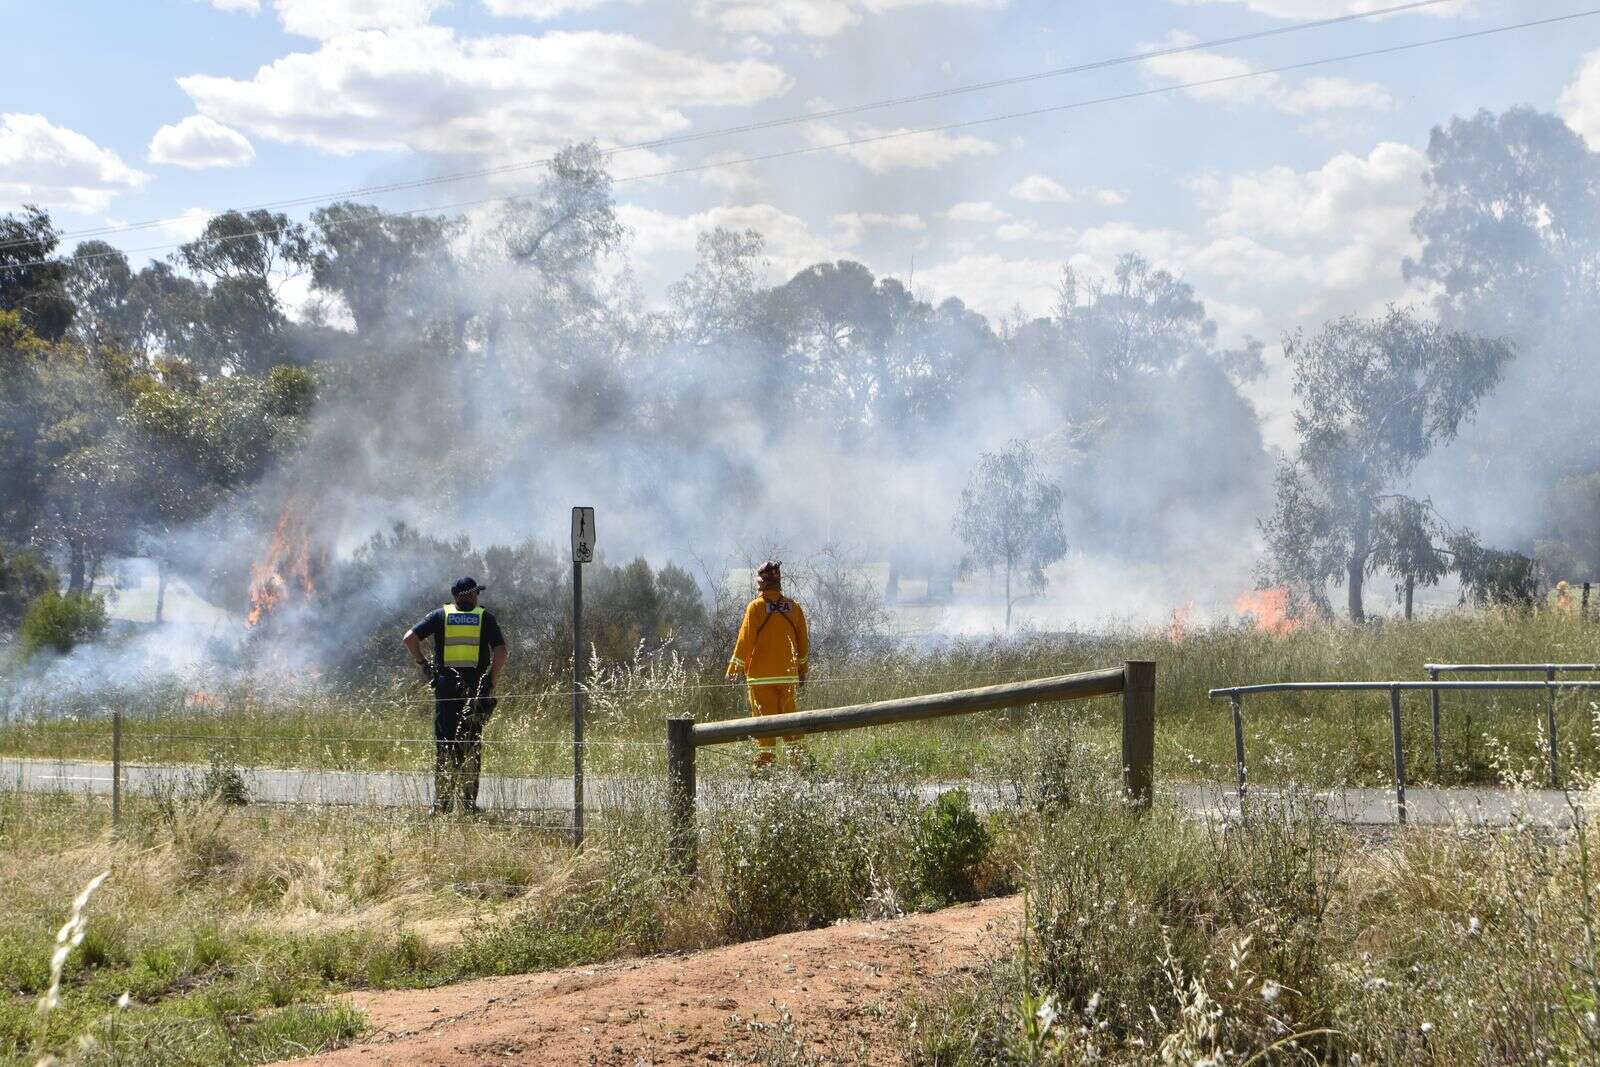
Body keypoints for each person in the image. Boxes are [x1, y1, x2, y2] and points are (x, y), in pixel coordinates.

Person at [403, 577, 508, 815]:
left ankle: (441, 804)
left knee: (444, 745)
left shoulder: (439, 616)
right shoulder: (485, 617)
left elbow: (409, 639)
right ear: (474, 595)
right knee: (471, 744)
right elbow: (501, 652)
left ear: (454, 595)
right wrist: (490, 681)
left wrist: (423, 663)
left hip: (446, 689)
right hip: (476, 689)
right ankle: (469, 805)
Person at [725, 561, 809, 767]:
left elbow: (745, 641)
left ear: (762, 583)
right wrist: (801, 670)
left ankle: (763, 768)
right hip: (788, 677)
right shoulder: (794, 607)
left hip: (760, 678)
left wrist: (733, 669)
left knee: (764, 725)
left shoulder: (755, 607)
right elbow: (803, 644)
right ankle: (800, 766)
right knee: (790, 722)